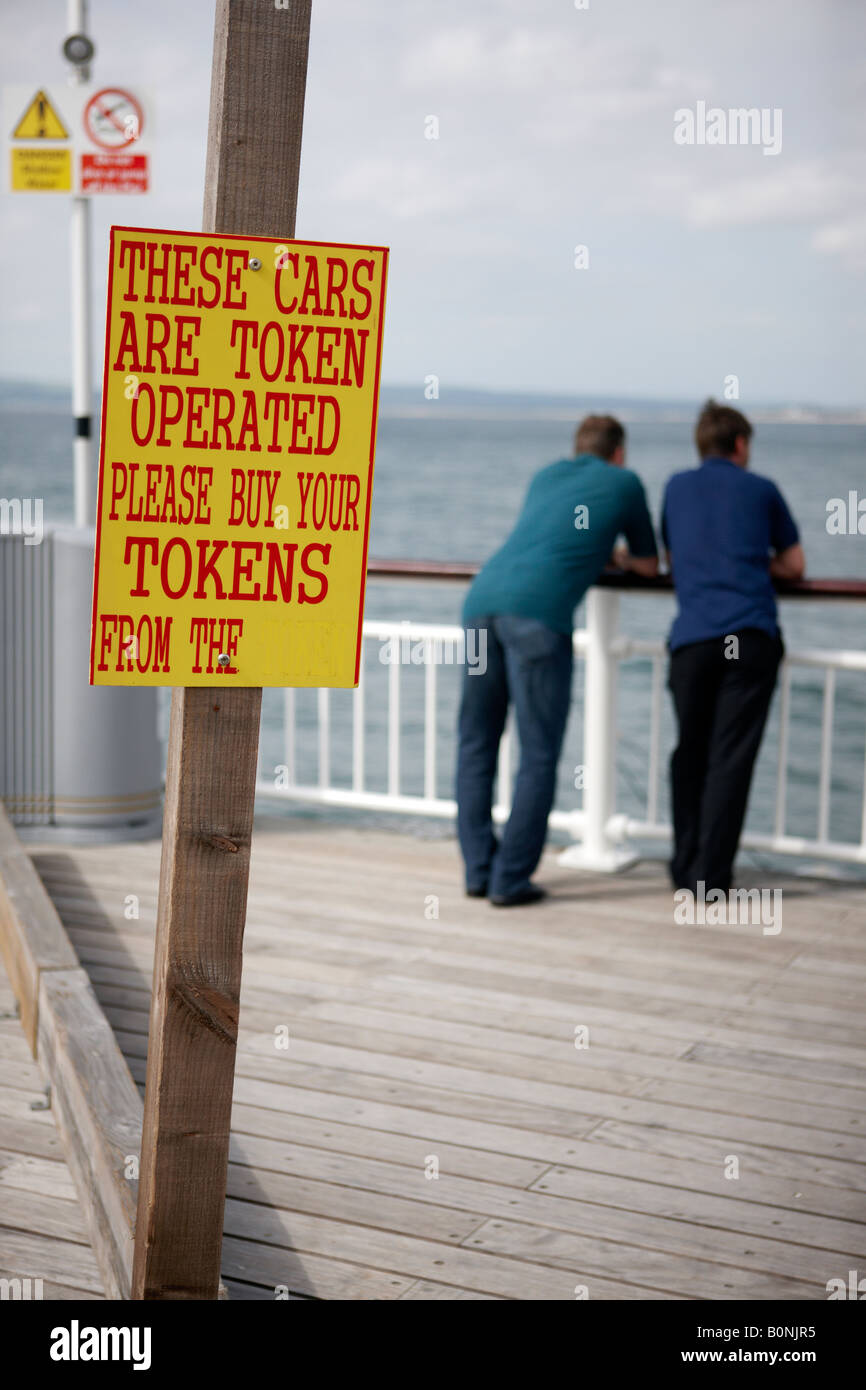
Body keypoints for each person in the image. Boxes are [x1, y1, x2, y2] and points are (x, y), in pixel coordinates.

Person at [456, 415, 658, 907]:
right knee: (538, 754)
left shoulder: (546, 476)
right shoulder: (625, 481)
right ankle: (510, 881)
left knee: (476, 742)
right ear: (619, 452)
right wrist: (618, 558)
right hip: (538, 620)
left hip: (480, 605)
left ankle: (479, 871)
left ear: (577, 448)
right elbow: (650, 563)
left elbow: (546, 535)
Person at [661, 399, 805, 896]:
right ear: (741, 444)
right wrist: (751, 562)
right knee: (730, 759)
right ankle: (710, 877)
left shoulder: (677, 487)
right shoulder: (762, 490)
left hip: (693, 641)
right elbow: (795, 566)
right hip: (746, 639)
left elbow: (673, 558)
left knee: (690, 754)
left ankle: (682, 866)